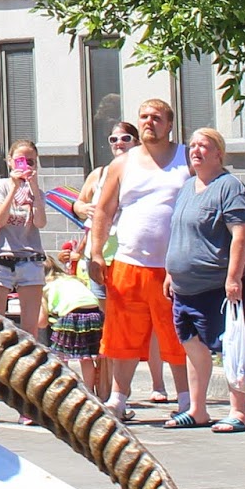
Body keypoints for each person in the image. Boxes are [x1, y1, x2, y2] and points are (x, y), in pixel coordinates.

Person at [88, 97, 190, 422]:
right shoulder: (124, 163)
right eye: (144, 116)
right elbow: (104, 211)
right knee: (122, 335)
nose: (149, 122)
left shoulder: (186, 158)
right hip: (128, 263)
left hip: (173, 267)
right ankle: (119, 398)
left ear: (169, 124)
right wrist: (94, 252)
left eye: (157, 117)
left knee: (175, 333)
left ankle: (187, 399)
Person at [162, 127, 245, 432]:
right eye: (192, 146)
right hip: (184, 288)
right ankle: (197, 409)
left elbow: (241, 236)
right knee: (193, 346)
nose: (196, 151)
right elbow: (180, 232)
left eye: (204, 146)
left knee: (230, 346)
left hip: (219, 286)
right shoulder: (188, 186)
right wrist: (169, 273)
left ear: (219, 153)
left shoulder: (230, 187)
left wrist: (233, 278)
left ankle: (239, 412)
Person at [0, 140, 47, 424]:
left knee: (29, 331)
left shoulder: (36, 189)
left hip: (29, 260)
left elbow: (40, 223)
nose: (25, 166)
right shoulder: (0, 186)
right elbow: (0, 219)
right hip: (0, 260)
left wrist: (34, 190)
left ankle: (24, 398)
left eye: (30, 161)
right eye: (20, 161)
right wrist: (16, 187)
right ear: (9, 162)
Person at [44, 250, 102, 393]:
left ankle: (65, 388)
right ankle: (89, 391)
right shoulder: (71, 279)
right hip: (95, 312)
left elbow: (41, 321)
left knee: (61, 355)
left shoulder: (44, 287)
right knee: (86, 356)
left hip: (72, 313)